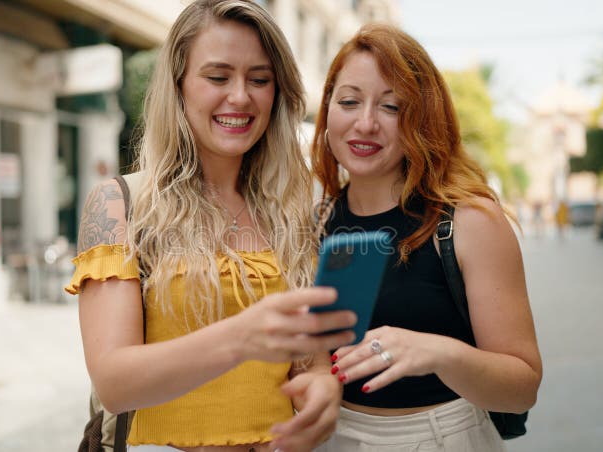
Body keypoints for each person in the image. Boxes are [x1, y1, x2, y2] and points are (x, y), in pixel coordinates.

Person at [64, 1, 357, 451]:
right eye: (217, 77)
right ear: (178, 85)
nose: (240, 97)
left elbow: (309, 363)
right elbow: (114, 384)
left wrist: (322, 388)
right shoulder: (120, 203)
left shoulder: (293, 212)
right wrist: (242, 336)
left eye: (259, 79)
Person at [310, 24, 542, 451]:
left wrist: (437, 352)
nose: (365, 123)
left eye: (391, 107)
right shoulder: (312, 222)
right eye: (348, 102)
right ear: (327, 112)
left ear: (422, 118)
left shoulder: (469, 220)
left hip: (440, 437)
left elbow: (523, 386)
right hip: (332, 437)